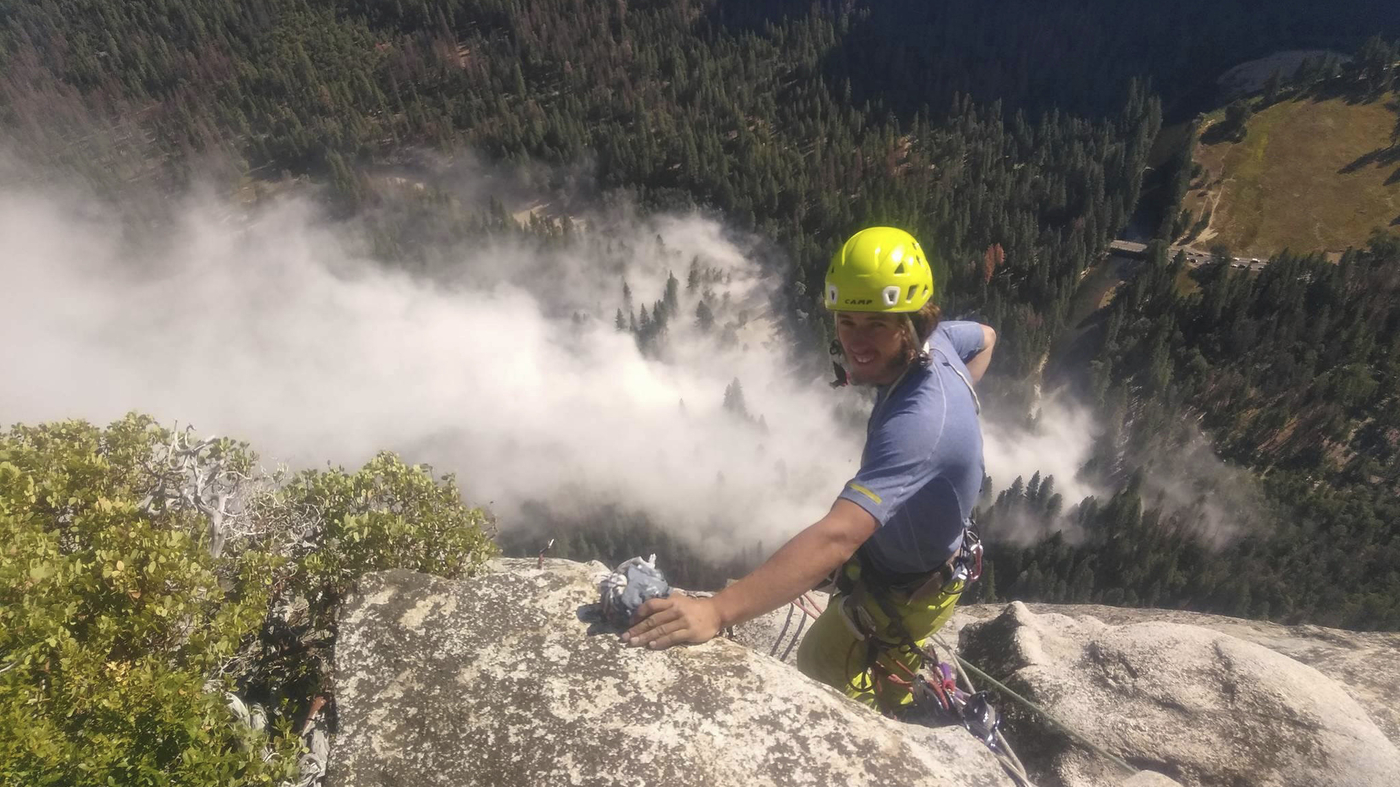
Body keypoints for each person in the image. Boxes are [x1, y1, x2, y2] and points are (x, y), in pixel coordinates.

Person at [623, 226, 995, 712]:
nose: (856, 343)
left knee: (821, 663)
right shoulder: (941, 344)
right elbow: (987, 337)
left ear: (913, 323)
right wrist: (962, 400)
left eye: (876, 325)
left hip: (908, 587)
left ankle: (895, 723)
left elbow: (838, 536)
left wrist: (716, 611)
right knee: (882, 654)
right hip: (914, 564)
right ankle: (900, 682)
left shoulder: (922, 424)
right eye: (847, 322)